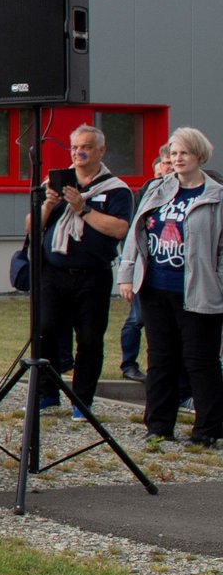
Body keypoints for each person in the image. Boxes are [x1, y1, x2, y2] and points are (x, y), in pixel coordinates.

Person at [116, 127, 223, 447]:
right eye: (173, 154)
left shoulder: (215, 196)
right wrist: (127, 275)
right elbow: (137, 234)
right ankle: (159, 427)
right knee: (160, 360)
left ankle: (207, 430)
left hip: (199, 292)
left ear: (199, 156)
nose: (177, 159)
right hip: (155, 288)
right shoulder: (157, 190)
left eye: (184, 153)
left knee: (200, 361)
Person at [31, 125, 132, 420]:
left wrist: (83, 209)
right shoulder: (57, 181)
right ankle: (46, 394)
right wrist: (48, 206)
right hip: (55, 273)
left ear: (101, 150)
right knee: (45, 330)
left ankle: (82, 399)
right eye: (74, 148)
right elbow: (30, 228)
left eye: (85, 147)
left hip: (93, 275)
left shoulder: (115, 189)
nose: (79, 153)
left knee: (89, 339)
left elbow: (119, 228)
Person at [119, 148, 175, 382]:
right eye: (166, 163)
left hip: (172, 270)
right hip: (146, 270)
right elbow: (131, 232)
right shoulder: (145, 195)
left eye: (172, 162)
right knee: (136, 319)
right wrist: (128, 272)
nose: (170, 167)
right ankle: (129, 364)